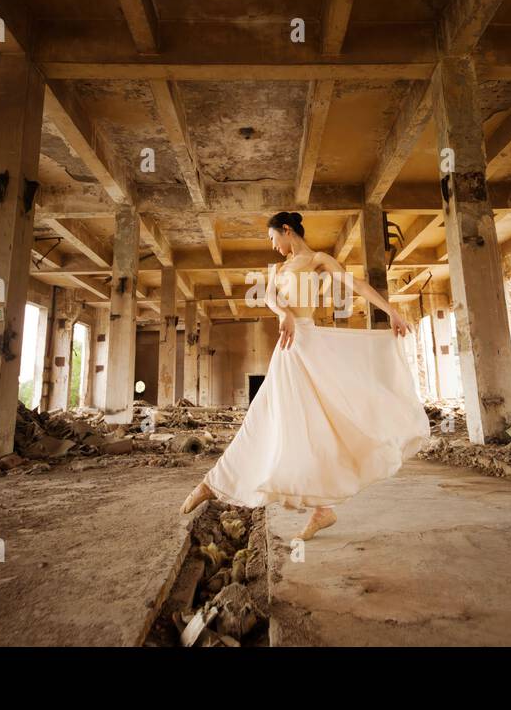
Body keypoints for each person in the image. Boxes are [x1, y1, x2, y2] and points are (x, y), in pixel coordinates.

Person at [179, 211, 430, 541]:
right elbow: (269, 297)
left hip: (309, 345)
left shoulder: (317, 259)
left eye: (273, 238)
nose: (273, 246)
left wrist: (391, 311)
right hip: (289, 348)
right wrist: (285, 314)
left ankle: (224, 486)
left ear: (286, 230)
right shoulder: (281, 269)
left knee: (311, 423)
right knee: (271, 418)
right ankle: (223, 485)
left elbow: (355, 283)